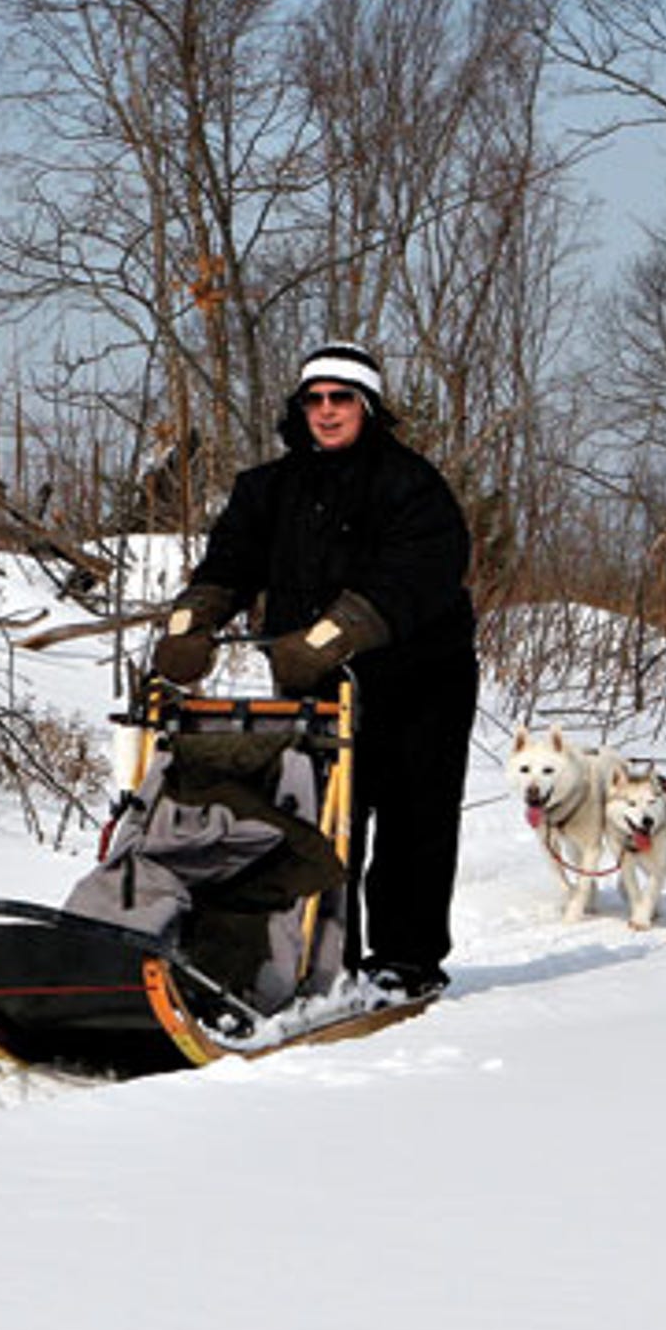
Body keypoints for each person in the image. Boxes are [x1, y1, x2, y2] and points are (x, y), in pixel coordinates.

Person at [146, 341, 479, 1003]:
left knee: (413, 821)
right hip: (317, 688)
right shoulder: (267, 488)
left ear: (368, 407)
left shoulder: (411, 484)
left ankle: (406, 963)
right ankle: (323, 958)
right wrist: (193, 622)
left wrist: (334, 634)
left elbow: (418, 576)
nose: (327, 412)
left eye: (341, 399)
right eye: (315, 399)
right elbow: (230, 562)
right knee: (319, 821)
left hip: (420, 681)